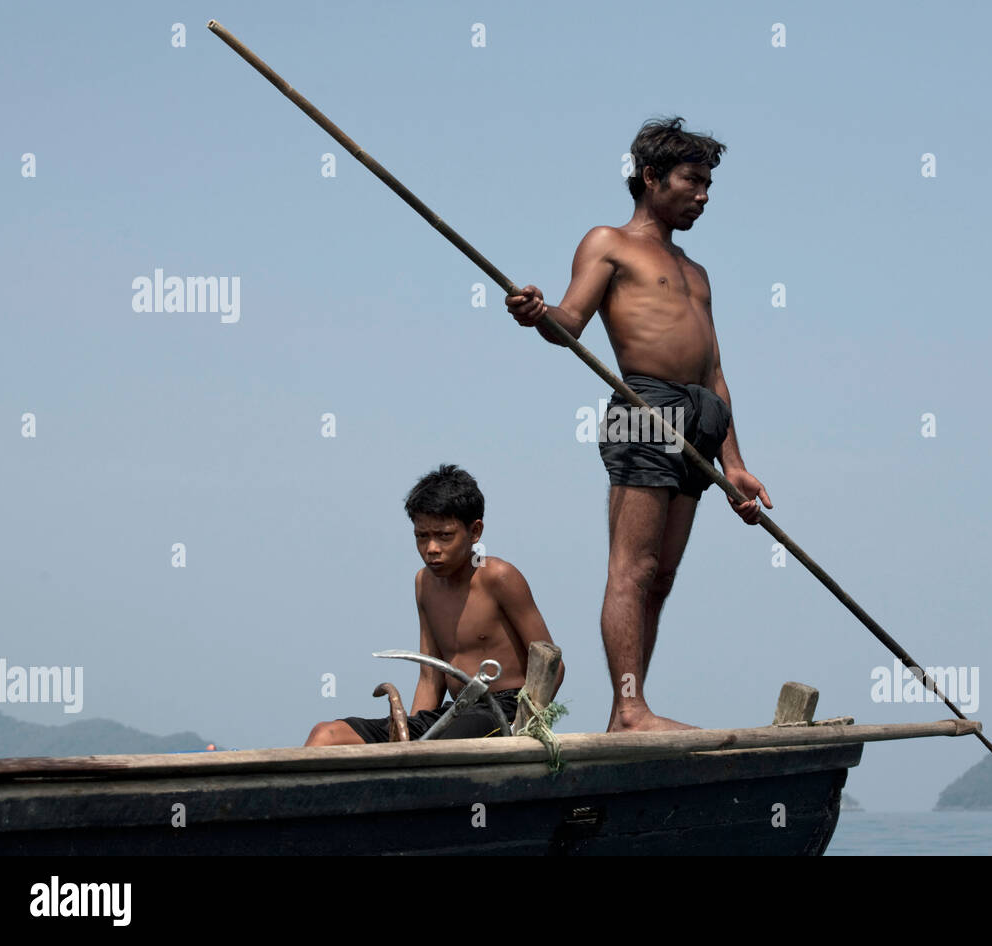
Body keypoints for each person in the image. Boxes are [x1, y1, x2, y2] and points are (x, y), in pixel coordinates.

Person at [505, 116, 771, 733]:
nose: (704, 195)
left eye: (709, 185)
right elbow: (569, 321)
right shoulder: (609, 242)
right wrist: (534, 314)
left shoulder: (697, 271)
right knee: (633, 567)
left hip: (702, 416)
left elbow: (715, 371)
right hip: (645, 406)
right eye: (693, 181)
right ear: (651, 177)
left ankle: (632, 707)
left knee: (664, 575)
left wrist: (734, 464)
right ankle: (630, 708)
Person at [305, 464, 563, 745]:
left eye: (444, 536)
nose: (431, 548)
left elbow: (553, 665)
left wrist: (524, 725)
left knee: (439, 746)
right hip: (454, 713)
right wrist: (408, 739)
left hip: (502, 711)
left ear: (475, 532)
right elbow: (430, 679)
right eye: (421, 536)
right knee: (326, 735)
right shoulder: (424, 583)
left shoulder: (498, 576)